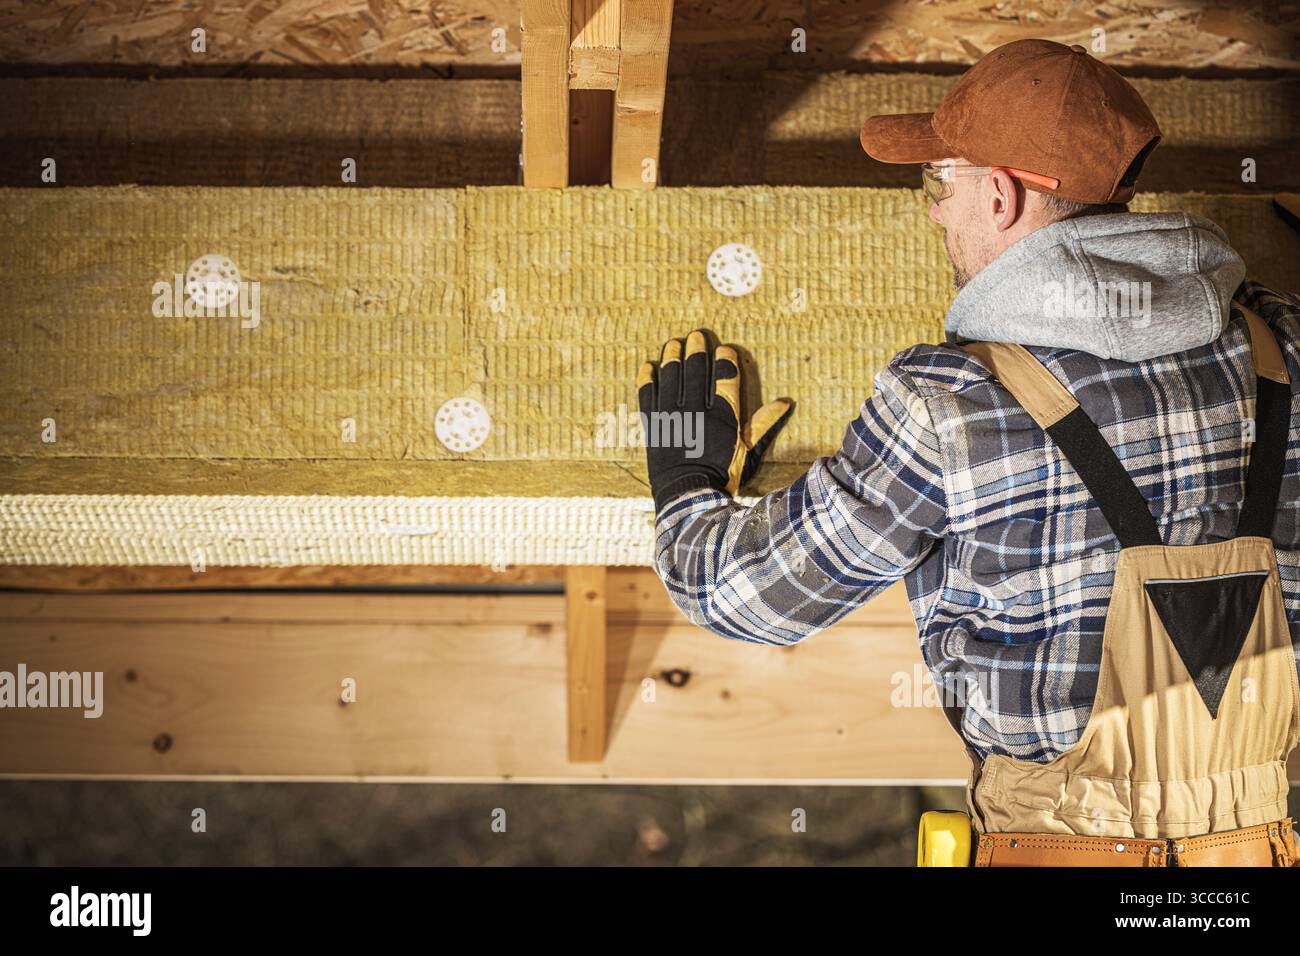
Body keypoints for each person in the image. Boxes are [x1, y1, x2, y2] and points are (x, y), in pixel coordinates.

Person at [636, 39, 1300, 866]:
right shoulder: (1281, 345)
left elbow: (747, 596)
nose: (930, 210)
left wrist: (681, 476)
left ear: (1002, 195)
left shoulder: (952, 403)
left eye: (935, 183)